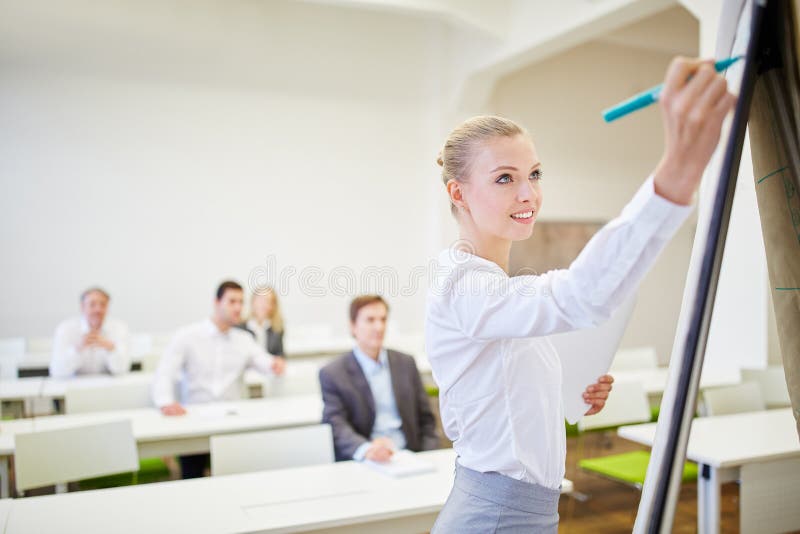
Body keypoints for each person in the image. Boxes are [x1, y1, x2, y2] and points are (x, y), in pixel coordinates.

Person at [427, 57, 736, 532]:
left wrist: (573, 390)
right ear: (459, 193)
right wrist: (677, 171)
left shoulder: (498, 291)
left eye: (535, 174)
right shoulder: (462, 285)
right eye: (505, 178)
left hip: (527, 510)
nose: (528, 193)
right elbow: (579, 296)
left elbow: (514, 401)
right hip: (493, 516)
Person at [151, 280, 286, 478]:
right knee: (192, 479)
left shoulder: (244, 340)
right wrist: (165, 402)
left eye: (241, 302)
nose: (238, 307)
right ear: (216, 302)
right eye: (232, 301)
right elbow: (165, 372)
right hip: (194, 419)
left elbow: (263, 361)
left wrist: (274, 364)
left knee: (235, 476)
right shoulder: (187, 336)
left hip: (232, 420)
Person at [319, 295, 439, 462]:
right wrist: (366, 450)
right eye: (370, 320)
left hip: (410, 457)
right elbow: (335, 424)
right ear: (353, 326)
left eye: (383, 319)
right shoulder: (333, 373)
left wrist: (429, 456)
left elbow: (426, 420)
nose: (379, 326)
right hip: (366, 459)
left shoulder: (405, 363)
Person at [50, 287, 130, 378]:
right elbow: (57, 372)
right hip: (75, 387)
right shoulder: (66, 329)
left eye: (103, 305)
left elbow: (122, 370)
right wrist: (78, 348)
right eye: (92, 304)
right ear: (82, 307)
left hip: (108, 387)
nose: (98, 310)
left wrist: (110, 348)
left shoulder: (119, 328)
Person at [239, 287, 285, 357]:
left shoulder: (277, 329)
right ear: (253, 301)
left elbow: (280, 355)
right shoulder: (240, 327)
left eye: (268, 301)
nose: (264, 304)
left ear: (273, 306)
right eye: (261, 300)